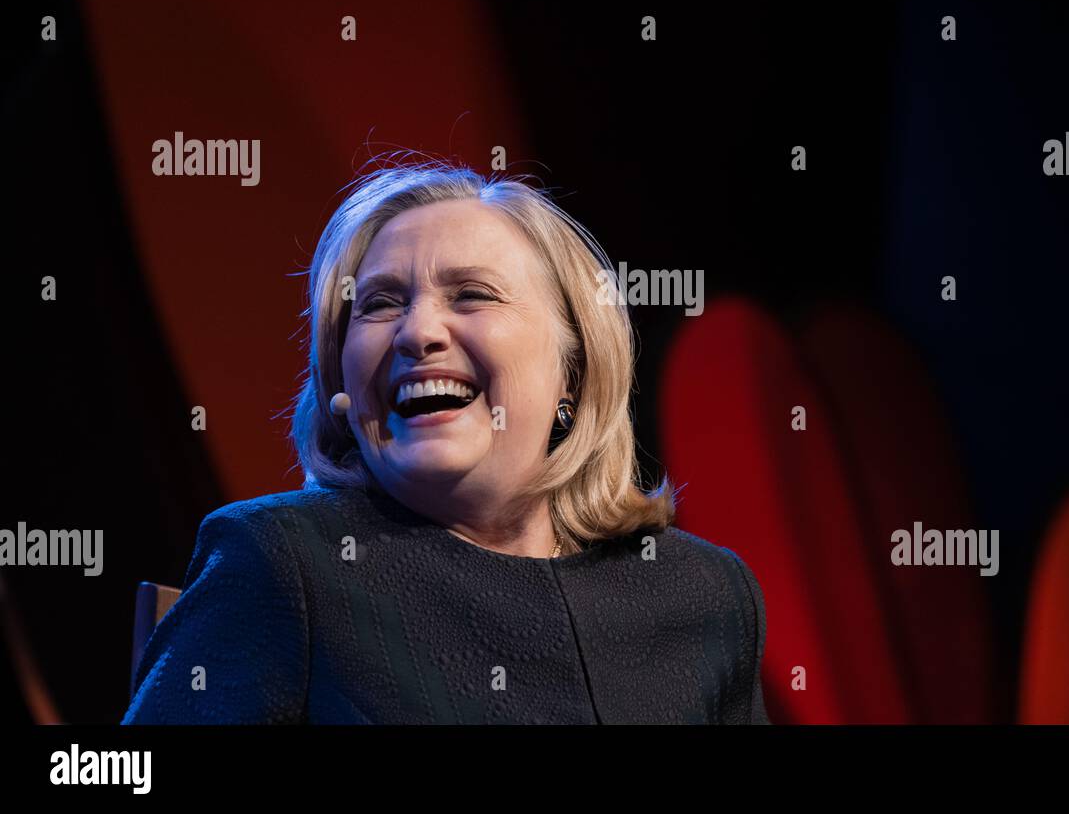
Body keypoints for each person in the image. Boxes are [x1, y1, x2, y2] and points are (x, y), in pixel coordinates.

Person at [122, 158, 769, 724]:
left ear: (572, 371)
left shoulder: (705, 592)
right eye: (379, 304)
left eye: (470, 295)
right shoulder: (282, 563)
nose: (417, 332)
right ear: (342, 382)